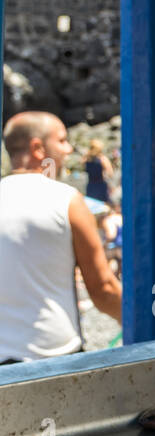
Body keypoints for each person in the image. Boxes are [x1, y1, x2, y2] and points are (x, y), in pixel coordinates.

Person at [0, 112, 121, 363]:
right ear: (37, 147)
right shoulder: (66, 200)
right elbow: (104, 290)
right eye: (62, 140)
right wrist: (154, 324)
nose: (68, 149)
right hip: (53, 360)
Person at [82, 139, 112, 204]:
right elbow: (110, 173)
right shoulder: (102, 159)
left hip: (90, 186)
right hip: (100, 185)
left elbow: (84, 169)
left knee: (91, 206)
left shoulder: (86, 159)